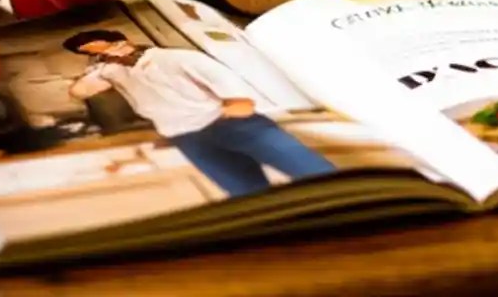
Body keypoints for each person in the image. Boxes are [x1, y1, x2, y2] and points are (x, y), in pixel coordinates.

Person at [64, 29, 336, 198]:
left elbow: (218, 75)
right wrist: (99, 67)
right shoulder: (114, 74)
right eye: (95, 55)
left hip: (229, 123)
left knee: (312, 173)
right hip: (189, 139)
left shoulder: (172, 58)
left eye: (108, 48)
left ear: (123, 41)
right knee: (247, 194)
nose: (111, 57)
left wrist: (238, 106)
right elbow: (81, 92)